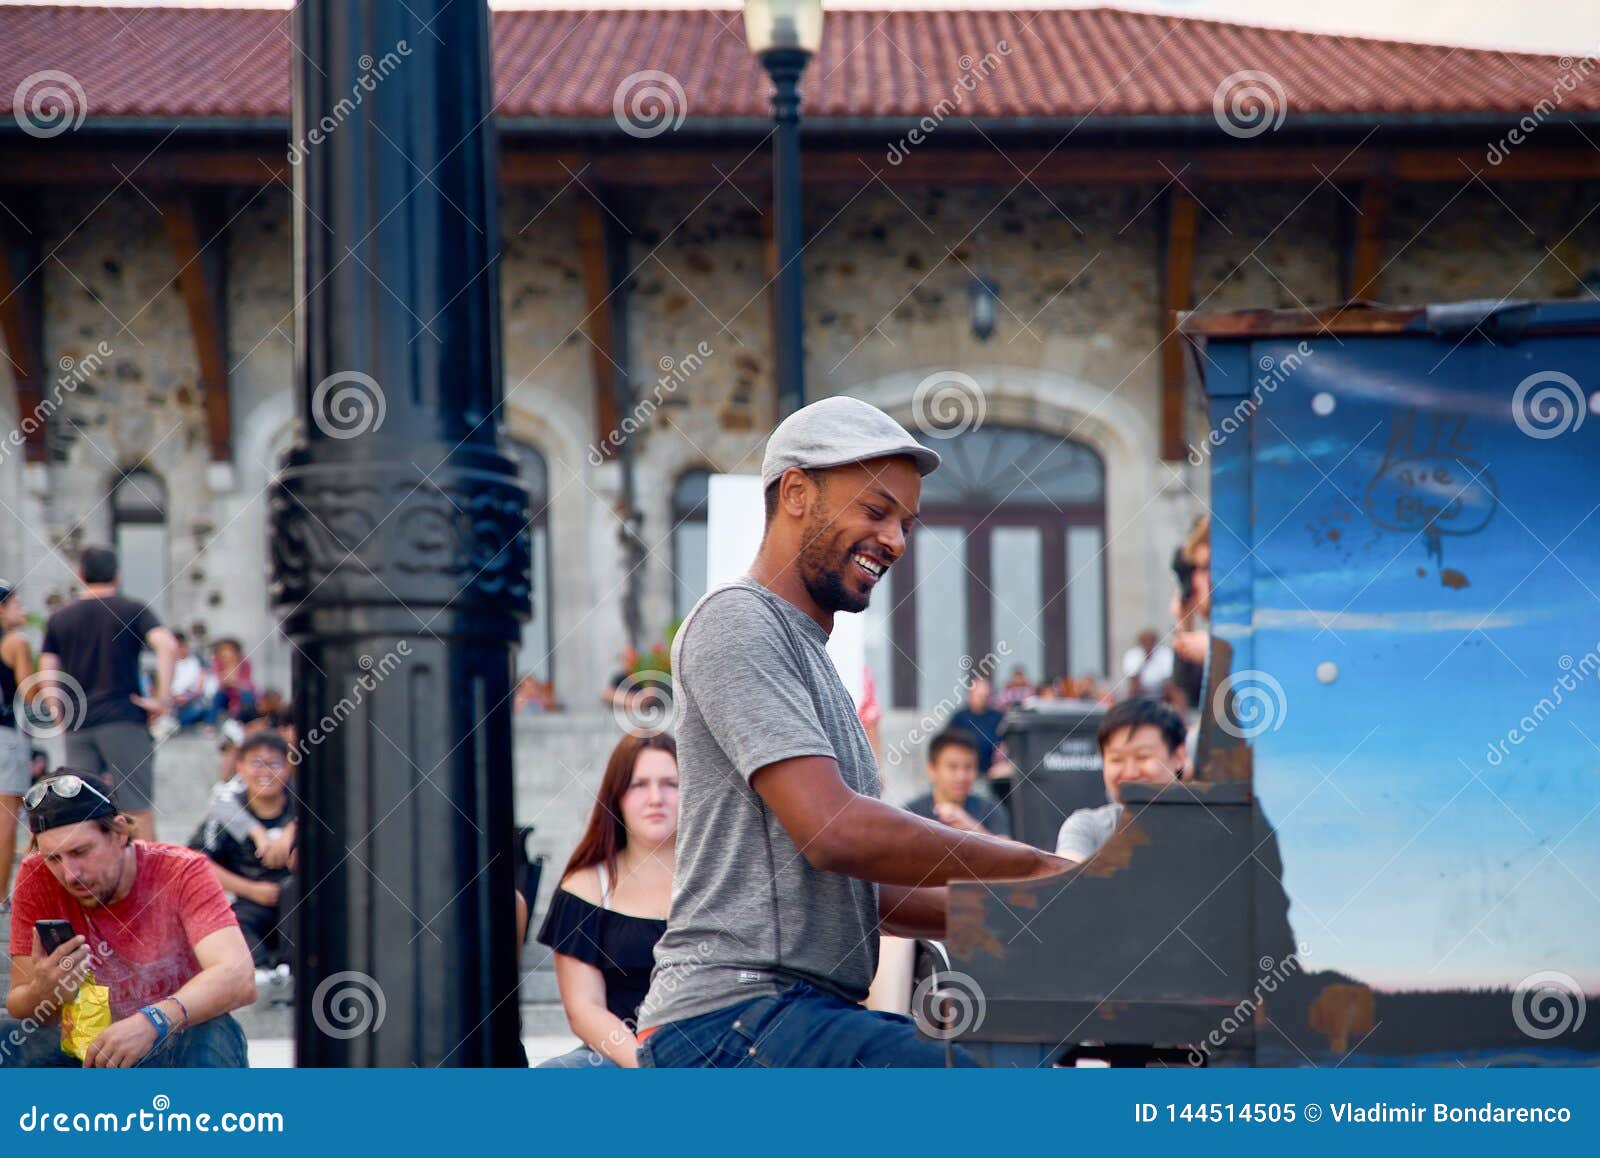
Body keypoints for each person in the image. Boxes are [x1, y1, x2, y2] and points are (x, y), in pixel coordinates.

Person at [635, 396, 1069, 1069]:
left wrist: (1036, 906)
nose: (896, 540)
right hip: (732, 1017)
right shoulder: (737, 621)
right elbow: (834, 831)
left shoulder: (811, 656)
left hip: (787, 1014)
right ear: (798, 494)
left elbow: (867, 893)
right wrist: (1033, 864)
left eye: (906, 522)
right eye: (875, 511)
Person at [1, 770, 255, 1067]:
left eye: (80, 852)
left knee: (213, 1032)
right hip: (88, 1047)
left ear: (119, 833)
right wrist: (42, 991)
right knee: (9, 1038)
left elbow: (239, 977)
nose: (70, 874)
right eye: (54, 858)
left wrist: (154, 1020)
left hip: (170, 1041)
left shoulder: (181, 870)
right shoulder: (38, 875)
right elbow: (18, 1003)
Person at [536, 732, 678, 1068]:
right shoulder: (583, 889)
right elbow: (584, 1009)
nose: (656, 797)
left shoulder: (720, 880)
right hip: (619, 1058)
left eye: (671, 783)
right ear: (616, 797)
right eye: (638, 784)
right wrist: (647, 1068)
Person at [39, 546, 178, 840]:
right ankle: (146, 882)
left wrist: (55, 709)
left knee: (78, 809)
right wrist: (161, 699)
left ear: (80, 575)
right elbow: (168, 645)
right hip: (122, 718)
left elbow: (48, 668)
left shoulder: (60, 617)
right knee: (136, 807)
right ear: (117, 575)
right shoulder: (132, 609)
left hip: (78, 721)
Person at [189, 732, 295, 979]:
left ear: (288, 767)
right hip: (252, 899)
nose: (265, 772)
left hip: (299, 899)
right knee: (232, 921)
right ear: (241, 768)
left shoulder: (305, 804)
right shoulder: (227, 811)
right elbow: (197, 860)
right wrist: (251, 889)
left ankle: (290, 969)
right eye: (256, 763)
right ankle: (259, 972)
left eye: (275, 763)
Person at [1054, 698, 1190, 864]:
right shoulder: (1087, 829)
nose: (1130, 773)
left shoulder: (1208, 827)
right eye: (1117, 759)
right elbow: (1069, 879)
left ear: (1178, 757)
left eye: (1143, 756)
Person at [903, 728, 1011, 838]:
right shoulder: (910, 813)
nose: (961, 777)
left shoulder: (990, 810)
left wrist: (970, 826)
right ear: (932, 770)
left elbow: (1008, 852)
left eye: (968, 767)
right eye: (952, 767)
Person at [0, 582, 36, 907]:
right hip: (6, 736)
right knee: (6, 816)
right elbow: (29, 691)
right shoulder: (15, 642)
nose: (22, 612)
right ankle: (0, 895)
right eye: (16, 605)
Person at [946, 676, 1013, 783]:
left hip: (993, 774)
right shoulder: (960, 718)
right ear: (970, 695)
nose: (983, 698)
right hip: (965, 774)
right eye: (979, 695)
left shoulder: (998, 717)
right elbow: (948, 745)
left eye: (985, 695)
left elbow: (1009, 743)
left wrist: (1004, 760)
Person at [208, 638, 256, 722]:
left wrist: (232, 682)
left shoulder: (245, 663)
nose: (225, 653)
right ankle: (211, 723)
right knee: (218, 696)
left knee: (246, 695)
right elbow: (219, 683)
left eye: (228, 650)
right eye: (222, 651)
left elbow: (247, 684)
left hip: (241, 693)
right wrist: (231, 681)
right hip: (226, 694)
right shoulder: (218, 663)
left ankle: (246, 721)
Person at [1121, 628, 1174, 702]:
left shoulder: (1165, 653)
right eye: (1145, 642)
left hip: (1161, 690)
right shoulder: (1132, 654)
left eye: (1151, 641)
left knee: (1175, 691)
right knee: (1131, 690)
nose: (1148, 644)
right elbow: (1133, 678)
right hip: (1140, 691)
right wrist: (1145, 660)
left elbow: (1168, 679)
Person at [170, 631, 210, 729]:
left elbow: (200, 686)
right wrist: (174, 697)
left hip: (192, 699)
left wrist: (187, 697)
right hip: (172, 700)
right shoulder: (169, 663)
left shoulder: (197, 661)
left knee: (198, 709)